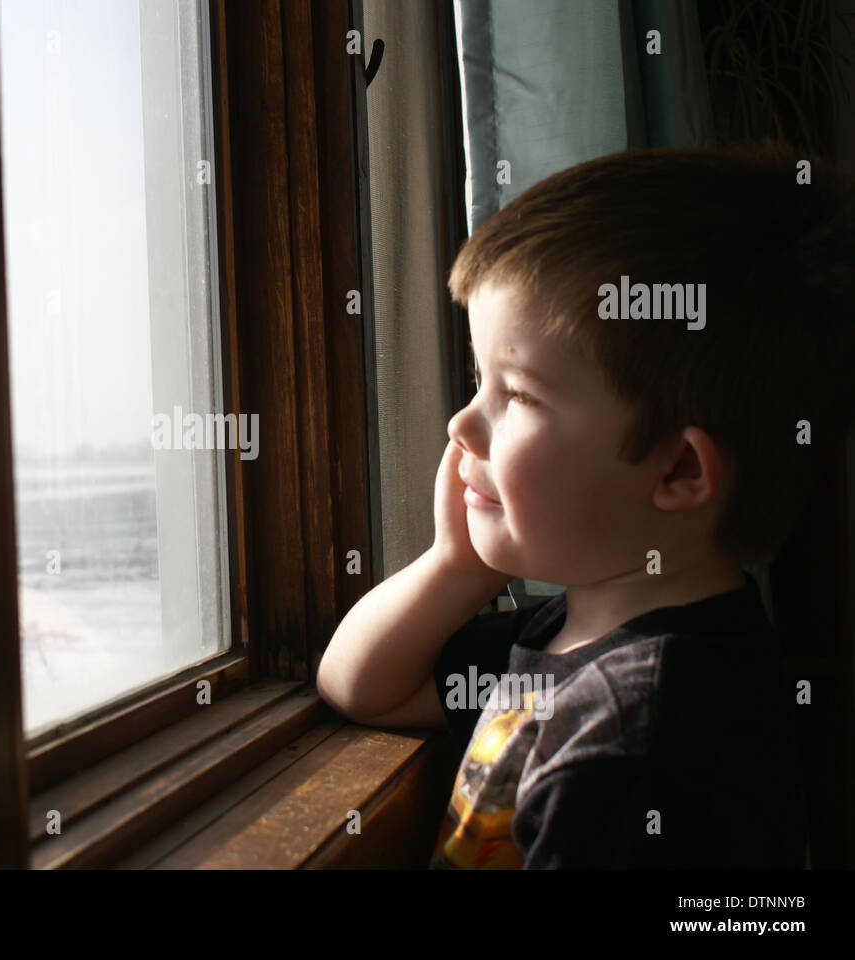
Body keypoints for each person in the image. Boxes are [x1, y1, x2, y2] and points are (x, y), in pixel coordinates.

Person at [316, 141, 855, 868]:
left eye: (519, 395)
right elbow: (362, 687)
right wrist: (455, 568)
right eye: (479, 378)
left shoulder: (637, 748)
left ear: (679, 469)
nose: (462, 424)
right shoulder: (574, 629)